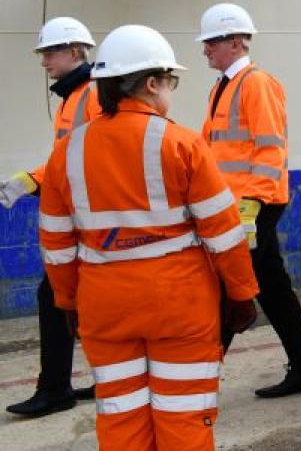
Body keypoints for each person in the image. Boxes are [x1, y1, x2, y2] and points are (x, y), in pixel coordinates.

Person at [38, 24, 259, 451]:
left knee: (121, 420)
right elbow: (223, 232)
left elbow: (57, 244)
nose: (171, 91)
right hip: (179, 304)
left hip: (105, 306)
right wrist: (241, 293)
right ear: (152, 82)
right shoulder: (182, 144)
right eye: (170, 82)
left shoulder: (68, 153)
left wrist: (67, 302)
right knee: (184, 419)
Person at [197, 3, 301, 398]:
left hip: (254, 207)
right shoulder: (223, 86)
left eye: (212, 42)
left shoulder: (256, 83)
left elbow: (271, 148)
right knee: (270, 288)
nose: (205, 49)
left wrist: (252, 205)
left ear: (235, 42)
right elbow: (209, 148)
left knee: (230, 285)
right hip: (237, 206)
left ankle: (200, 378)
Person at [2, 18, 101, 418]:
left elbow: (95, 157)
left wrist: (37, 180)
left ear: (75, 52)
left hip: (89, 219)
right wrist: (31, 179)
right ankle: (71, 382)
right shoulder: (74, 97)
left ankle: (57, 388)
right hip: (80, 216)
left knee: (59, 297)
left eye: (50, 52)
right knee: (69, 299)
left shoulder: (91, 95)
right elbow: (65, 159)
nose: (44, 61)